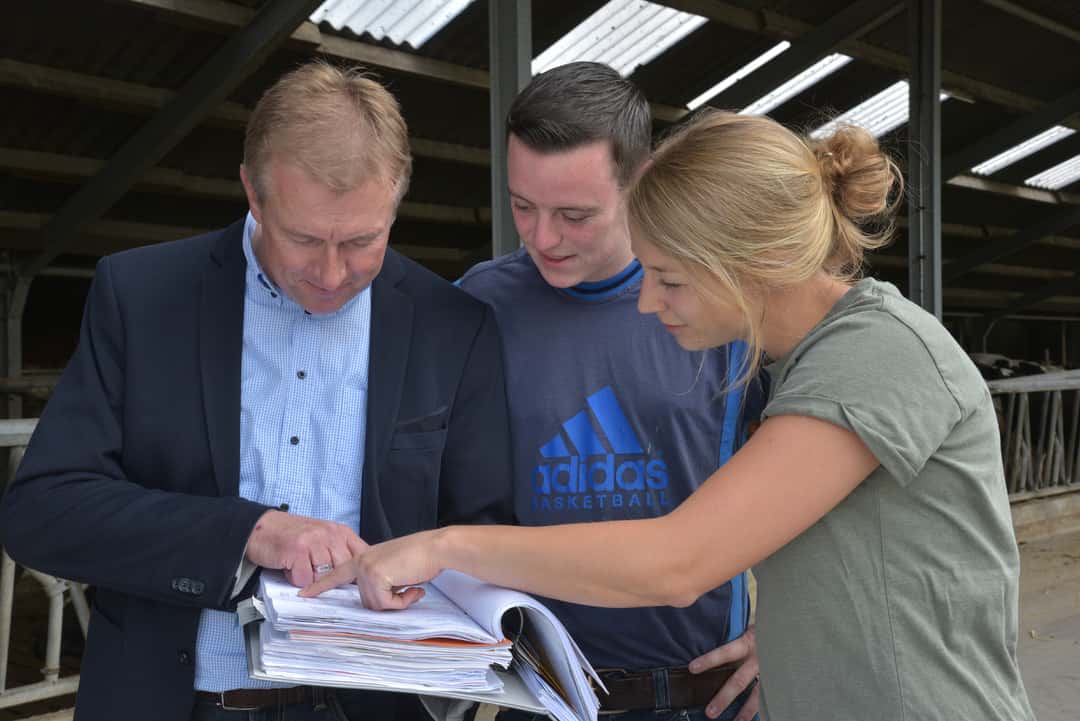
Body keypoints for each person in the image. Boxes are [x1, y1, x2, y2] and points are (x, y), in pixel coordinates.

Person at [309, 110, 1037, 721]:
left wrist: (444, 546)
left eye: (670, 279)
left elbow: (677, 561)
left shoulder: (876, 354)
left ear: (749, 263)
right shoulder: (802, 362)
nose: (651, 305)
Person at [0, 61, 513, 721]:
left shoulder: (456, 326)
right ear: (252, 191)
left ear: (396, 202)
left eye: (362, 240)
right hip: (177, 701)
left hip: (379, 708)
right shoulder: (143, 297)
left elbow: (488, 534)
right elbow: (43, 511)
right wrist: (248, 533)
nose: (331, 273)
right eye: (304, 239)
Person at [456, 62, 764, 721]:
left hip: (701, 698)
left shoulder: (725, 304)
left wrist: (794, 627)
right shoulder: (476, 307)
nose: (541, 237)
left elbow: (825, 490)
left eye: (574, 214)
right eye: (522, 206)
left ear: (640, 179)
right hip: (539, 698)